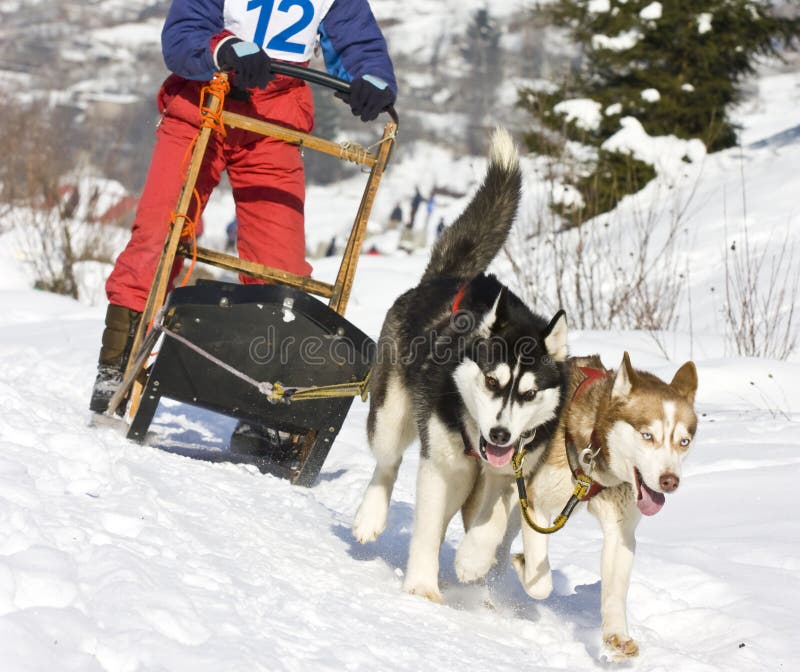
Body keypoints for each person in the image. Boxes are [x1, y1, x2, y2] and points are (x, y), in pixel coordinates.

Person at [89, 0, 397, 414]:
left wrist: (372, 78)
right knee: (158, 235)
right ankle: (117, 368)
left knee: (280, 267)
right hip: (203, 104)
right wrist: (223, 47)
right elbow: (183, 34)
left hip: (275, 122)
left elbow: (356, 41)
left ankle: (265, 402)